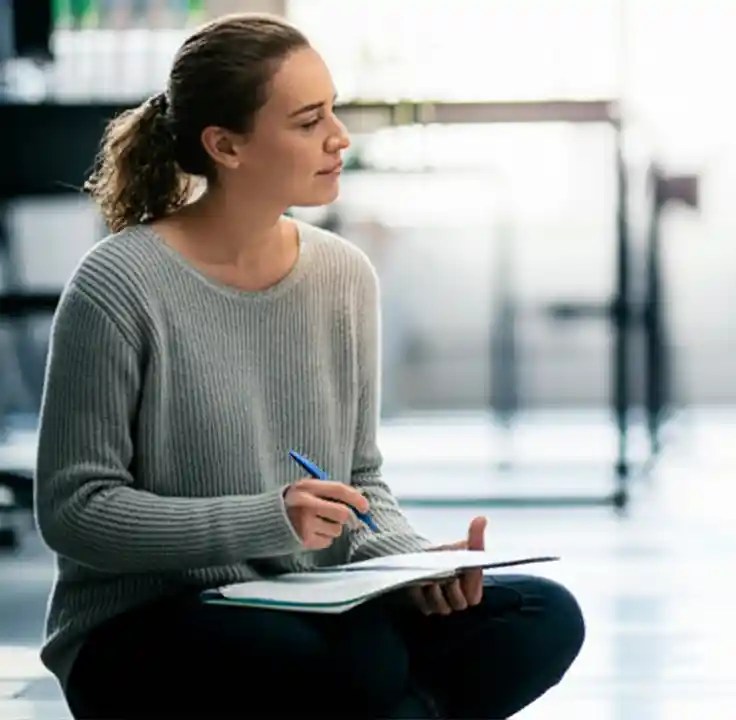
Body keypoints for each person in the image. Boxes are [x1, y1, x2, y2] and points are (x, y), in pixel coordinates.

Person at [33, 12, 584, 719]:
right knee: (356, 661)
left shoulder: (343, 275)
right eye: (308, 120)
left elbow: (357, 482)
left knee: (541, 615)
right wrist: (267, 519)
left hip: (315, 606)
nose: (340, 137)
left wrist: (415, 564)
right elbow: (75, 512)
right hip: (146, 624)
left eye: (334, 110)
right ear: (225, 145)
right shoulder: (117, 284)